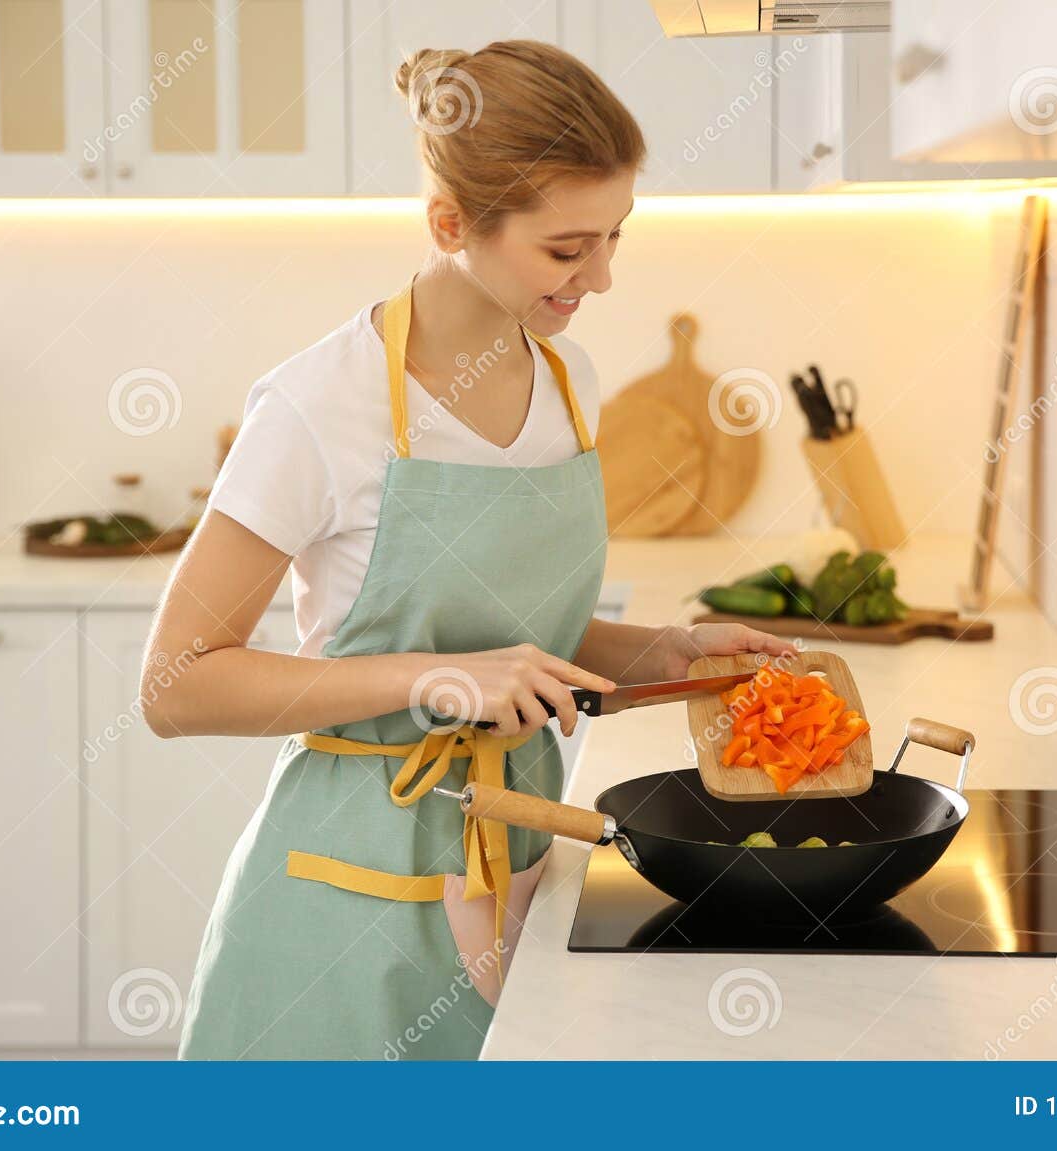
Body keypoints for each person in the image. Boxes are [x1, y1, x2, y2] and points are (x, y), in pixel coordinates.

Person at [146, 39, 796, 1060]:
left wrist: (654, 651)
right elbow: (175, 687)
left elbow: (507, 634)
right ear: (451, 225)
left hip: (517, 861)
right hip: (341, 905)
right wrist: (437, 679)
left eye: (616, 237)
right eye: (568, 248)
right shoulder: (321, 403)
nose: (605, 276)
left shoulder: (570, 380)